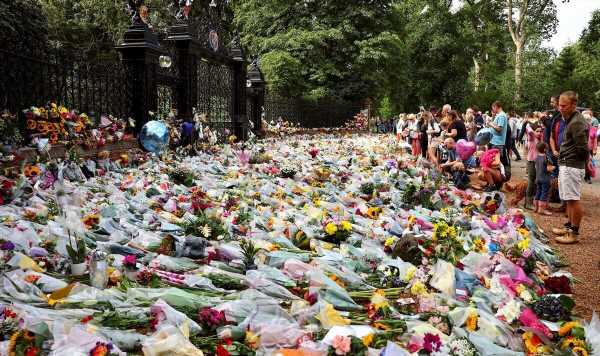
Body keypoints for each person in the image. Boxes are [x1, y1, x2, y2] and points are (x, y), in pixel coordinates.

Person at [553, 91, 589, 244]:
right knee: (568, 198)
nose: (560, 108)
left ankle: (574, 232)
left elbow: (583, 148)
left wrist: (578, 162)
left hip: (572, 165)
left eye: (564, 106)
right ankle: (569, 227)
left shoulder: (577, 122)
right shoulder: (570, 118)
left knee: (573, 199)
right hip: (567, 164)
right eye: (559, 105)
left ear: (574, 105)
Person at [488, 101, 511, 176]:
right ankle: (496, 180)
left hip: (498, 143)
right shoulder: (500, 115)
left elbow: (499, 129)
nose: (493, 110)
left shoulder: (501, 116)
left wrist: (491, 124)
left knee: (497, 164)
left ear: (496, 106)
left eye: (493, 108)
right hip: (495, 142)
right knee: (495, 163)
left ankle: (499, 180)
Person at [524, 121, 543, 210]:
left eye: (540, 131)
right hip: (531, 162)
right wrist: (528, 121)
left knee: (536, 182)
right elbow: (528, 129)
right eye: (537, 131)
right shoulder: (532, 137)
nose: (539, 133)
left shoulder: (541, 139)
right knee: (531, 182)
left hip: (538, 163)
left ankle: (532, 201)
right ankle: (528, 203)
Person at [534, 142, 555, 215]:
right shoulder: (546, 157)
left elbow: (536, 167)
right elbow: (549, 168)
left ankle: (536, 207)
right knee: (544, 193)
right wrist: (554, 167)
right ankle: (541, 209)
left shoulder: (536, 157)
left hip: (538, 177)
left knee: (538, 191)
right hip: (545, 178)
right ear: (545, 149)